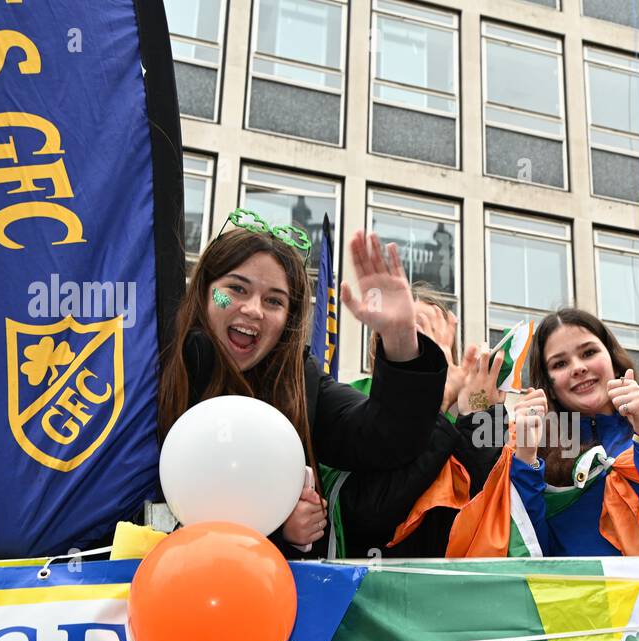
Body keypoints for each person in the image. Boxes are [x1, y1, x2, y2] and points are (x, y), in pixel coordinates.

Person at [157, 219, 448, 557]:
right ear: (205, 290)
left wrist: (399, 337)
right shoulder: (153, 367)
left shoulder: (300, 382)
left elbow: (385, 437)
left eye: (274, 301)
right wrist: (279, 528)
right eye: (236, 289)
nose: (253, 310)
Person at [327, 292, 509, 558]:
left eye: (426, 333)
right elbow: (365, 513)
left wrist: (489, 412)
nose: (412, 342)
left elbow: (490, 498)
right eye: (402, 329)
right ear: (377, 349)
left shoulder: (466, 404)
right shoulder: (349, 402)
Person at [507, 308, 639, 556]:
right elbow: (531, 553)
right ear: (550, 388)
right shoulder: (532, 453)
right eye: (560, 363)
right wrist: (526, 460)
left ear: (613, 360)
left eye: (588, 353)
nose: (578, 368)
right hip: (573, 593)